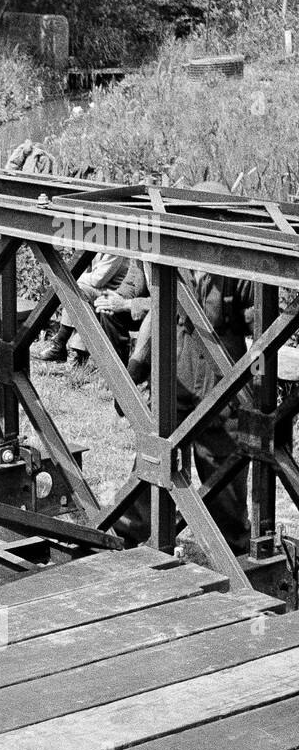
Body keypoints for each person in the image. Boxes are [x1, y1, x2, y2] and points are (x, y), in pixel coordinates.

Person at [111, 186, 250, 554]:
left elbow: (264, 331)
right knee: (155, 455)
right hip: (173, 373)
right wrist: (135, 369)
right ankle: (131, 536)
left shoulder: (240, 264)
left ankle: (233, 550)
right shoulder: (170, 255)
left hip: (222, 381)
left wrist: (259, 395)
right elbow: (157, 312)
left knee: (223, 470)